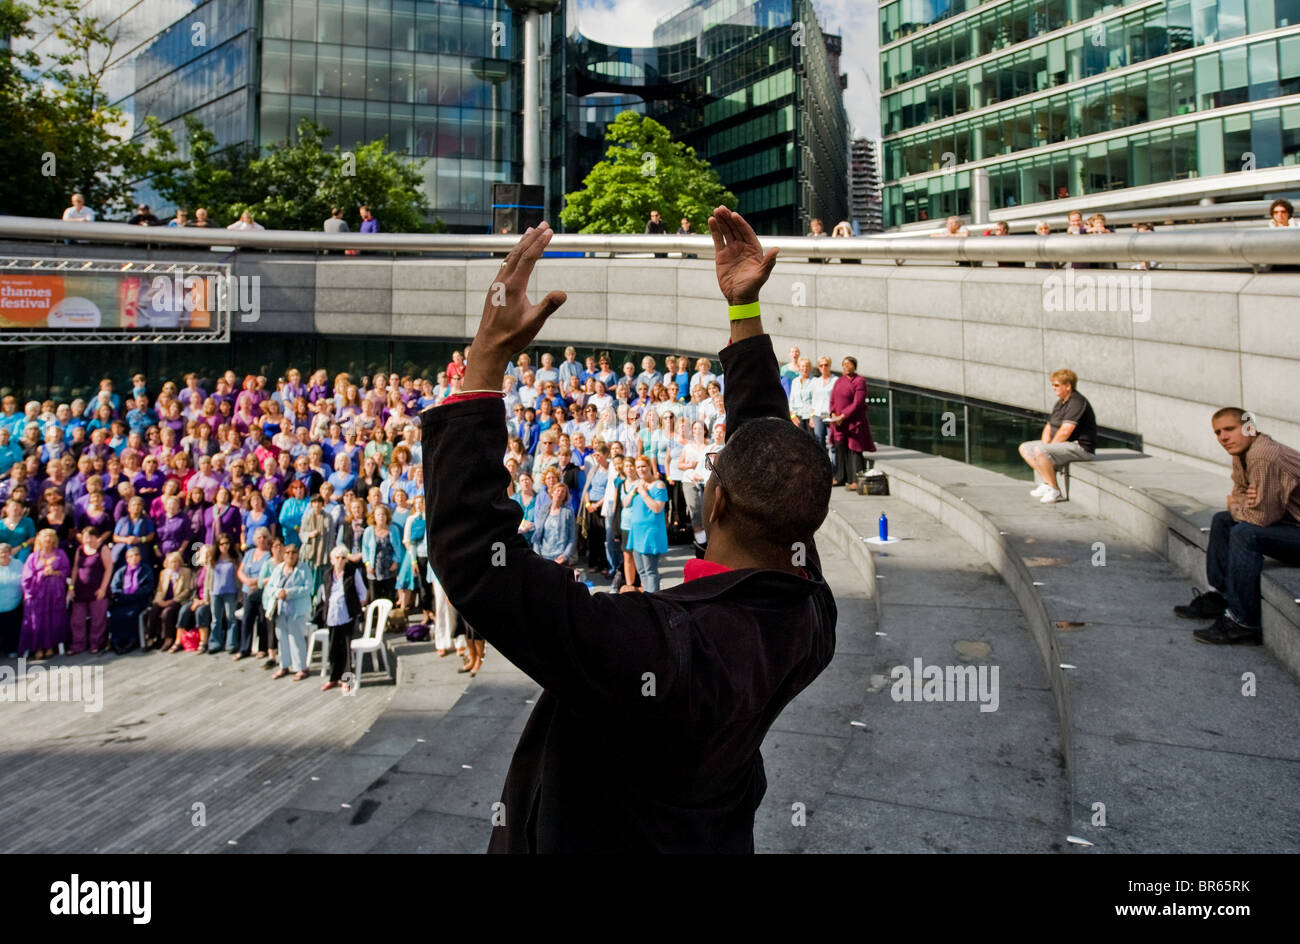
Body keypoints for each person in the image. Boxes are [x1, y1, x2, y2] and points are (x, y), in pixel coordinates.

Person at [421, 205, 836, 853]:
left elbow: (477, 559)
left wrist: (485, 357)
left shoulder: (659, 648)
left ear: (714, 504)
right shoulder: (809, 616)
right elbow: (774, 465)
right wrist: (743, 312)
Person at [1175, 409, 1300, 645]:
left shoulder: (1263, 455)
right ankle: (1221, 597)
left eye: (1229, 429)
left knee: (1246, 533)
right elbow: (1240, 495)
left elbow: (1261, 517)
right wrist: (1240, 504)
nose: (1223, 437)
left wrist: (1237, 506)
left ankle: (1243, 623)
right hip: (1291, 524)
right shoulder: (1242, 453)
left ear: (1249, 429)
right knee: (1223, 521)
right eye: (1218, 432)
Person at [1017, 368, 1096, 504]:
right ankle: (1047, 483)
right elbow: (1049, 427)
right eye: (1052, 385)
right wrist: (1044, 445)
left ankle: (1055, 490)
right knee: (1025, 448)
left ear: (1068, 386)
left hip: (1080, 447)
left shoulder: (1077, 402)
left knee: (1041, 451)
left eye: (1057, 385)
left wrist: (1046, 449)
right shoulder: (1060, 403)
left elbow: (1066, 431)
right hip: (1064, 445)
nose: (1053, 388)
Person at [317, 545, 368, 692]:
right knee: (333, 648)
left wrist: (355, 605)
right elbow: (324, 593)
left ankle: (347, 680)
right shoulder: (328, 574)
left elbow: (362, 593)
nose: (340, 561)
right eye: (337, 558)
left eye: (343, 558)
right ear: (332, 560)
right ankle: (333, 677)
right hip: (332, 615)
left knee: (346, 647)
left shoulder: (352, 572)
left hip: (347, 614)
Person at [20, 528, 71, 659]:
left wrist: (55, 572)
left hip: (54, 593)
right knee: (37, 620)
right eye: (45, 538)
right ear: (40, 540)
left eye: (50, 538)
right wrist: (42, 573)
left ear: (54, 540)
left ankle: (50, 646)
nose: (48, 541)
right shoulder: (33, 557)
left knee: (53, 619)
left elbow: (66, 571)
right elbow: (26, 577)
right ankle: (37, 647)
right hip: (37, 594)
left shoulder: (60, 554)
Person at [266, 543, 313, 681]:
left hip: (297, 610)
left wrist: (289, 593)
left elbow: (308, 588)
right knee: (282, 638)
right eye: (287, 553)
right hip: (280, 609)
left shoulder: (304, 569)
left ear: (297, 555)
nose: (290, 556)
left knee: (296, 638)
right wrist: (277, 592)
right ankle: (284, 665)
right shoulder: (278, 569)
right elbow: (269, 588)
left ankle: (301, 667)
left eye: (293, 553)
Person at [622, 455, 668, 591]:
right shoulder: (637, 484)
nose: (641, 469)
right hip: (636, 533)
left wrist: (643, 493)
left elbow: (657, 508)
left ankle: (654, 601)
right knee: (641, 570)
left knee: (650, 571)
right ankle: (648, 599)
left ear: (649, 467)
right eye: (638, 467)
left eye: (643, 466)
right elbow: (625, 504)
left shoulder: (659, 484)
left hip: (650, 533)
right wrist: (633, 492)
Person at [828, 356, 874, 490]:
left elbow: (858, 402)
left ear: (854, 366)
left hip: (854, 421)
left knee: (854, 450)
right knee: (840, 448)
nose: (846, 367)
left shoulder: (859, 381)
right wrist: (833, 414)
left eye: (848, 364)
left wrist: (844, 415)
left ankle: (855, 480)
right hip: (839, 422)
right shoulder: (838, 381)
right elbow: (832, 399)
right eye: (844, 364)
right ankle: (840, 477)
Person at [68, 526, 112, 654]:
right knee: (77, 620)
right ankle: (78, 645)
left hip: (97, 590)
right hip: (80, 590)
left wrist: (103, 588)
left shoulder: (102, 548)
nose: (88, 540)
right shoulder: (80, 550)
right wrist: (71, 588)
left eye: (90, 537)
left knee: (98, 620)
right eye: (85, 537)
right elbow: (75, 568)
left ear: (96, 537)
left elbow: (109, 568)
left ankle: (96, 644)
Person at [107, 544, 154, 653]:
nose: (134, 558)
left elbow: (148, 587)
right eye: (131, 556)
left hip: (138, 600)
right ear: (127, 559)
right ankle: (117, 641)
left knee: (131, 614)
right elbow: (114, 587)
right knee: (116, 614)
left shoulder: (145, 569)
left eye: (136, 555)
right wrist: (123, 596)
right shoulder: (121, 571)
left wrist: (134, 596)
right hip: (123, 600)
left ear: (140, 557)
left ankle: (131, 640)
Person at [150, 551, 195, 652]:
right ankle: (151, 637)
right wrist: (159, 600)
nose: (173, 564)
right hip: (164, 599)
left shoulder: (186, 572)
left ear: (179, 562)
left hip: (178, 600)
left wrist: (173, 600)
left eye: (175, 562)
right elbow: (160, 590)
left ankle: (168, 639)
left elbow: (187, 590)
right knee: (154, 610)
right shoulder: (164, 573)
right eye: (171, 562)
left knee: (167, 613)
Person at [362, 504, 403, 603]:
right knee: (375, 597)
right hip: (374, 568)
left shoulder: (393, 529)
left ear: (387, 516)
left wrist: (396, 561)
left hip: (389, 567)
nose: (381, 517)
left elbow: (398, 547)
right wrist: (368, 564)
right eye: (378, 515)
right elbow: (365, 549)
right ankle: (376, 618)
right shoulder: (368, 531)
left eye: (383, 514)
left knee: (389, 596)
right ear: (374, 517)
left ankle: (389, 617)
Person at [0, 543, 22, 656]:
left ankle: (11, 649)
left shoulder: (17, 564)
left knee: (12, 628)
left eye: (6, 552)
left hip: (14, 604)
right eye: (1, 553)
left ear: (10, 553)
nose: (3, 555)